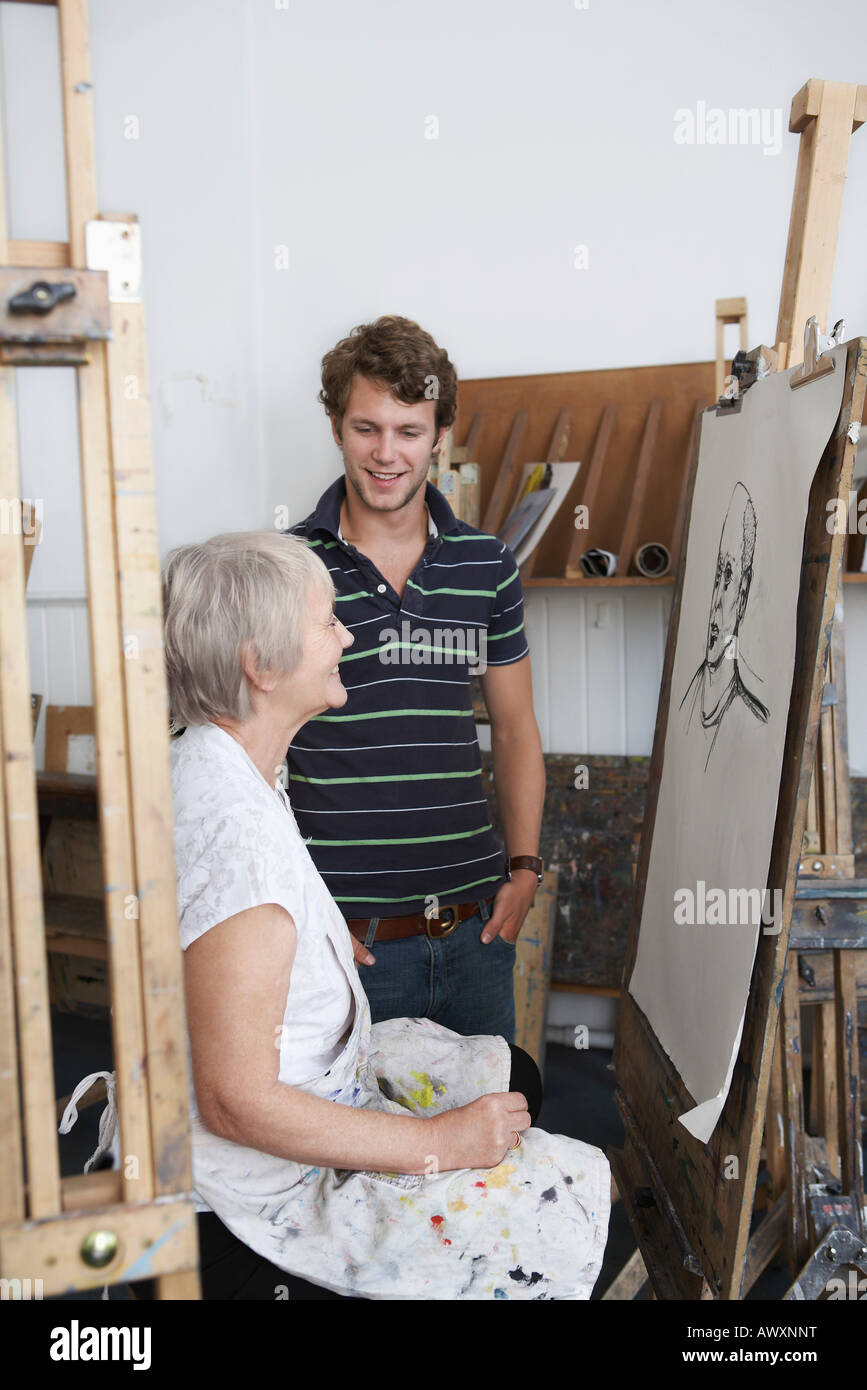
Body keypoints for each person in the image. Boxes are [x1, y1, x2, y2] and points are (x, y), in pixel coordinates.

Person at [162, 530, 610, 1300]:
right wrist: (433, 1143)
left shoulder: (228, 762)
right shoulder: (235, 835)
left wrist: (315, 937)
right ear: (258, 665)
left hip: (306, 1084)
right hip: (246, 1188)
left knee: (518, 1075)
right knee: (561, 1190)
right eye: (326, 624)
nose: (346, 637)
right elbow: (234, 1101)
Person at [285, 315, 546, 1041]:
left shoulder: (485, 566)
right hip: (347, 937)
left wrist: (524, 869)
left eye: (408, 430)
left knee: (494, 1141)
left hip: (475, 933)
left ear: (439, 437)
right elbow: (252, 758)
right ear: (336, 427)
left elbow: (517, 727)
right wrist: (297, 907)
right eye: (366, 428)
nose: (386, 453)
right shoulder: (287, 571)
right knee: (346, 1148)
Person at [680, 481, 769, 770]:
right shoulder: (682, 703)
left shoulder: (752, 722)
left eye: (728, 577)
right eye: (717, 575)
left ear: (742, 597)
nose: (716, 600)